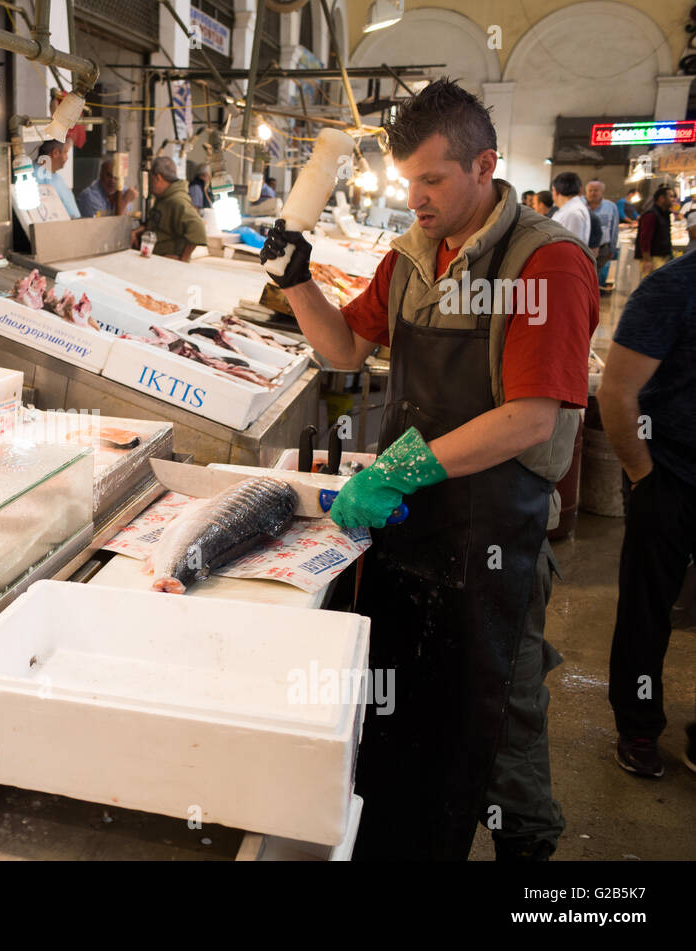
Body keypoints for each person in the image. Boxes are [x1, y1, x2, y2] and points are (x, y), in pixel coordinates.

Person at [261, 78, 597, 861]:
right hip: (415, 529)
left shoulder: (545, 263)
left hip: (496, 535)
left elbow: (530, 418)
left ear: (485, 166)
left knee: (500, 721)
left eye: (433, 180)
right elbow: (344, 349)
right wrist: (297, 281)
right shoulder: (413, 256)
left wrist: (403, 466)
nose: (416, 198)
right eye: (408, 180)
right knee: (417, 713)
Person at [597, 251, 696, 779]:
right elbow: (616, 391)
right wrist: (642, 473)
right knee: (647, 607)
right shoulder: (671, 289)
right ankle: (637, 726)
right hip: (670, 473)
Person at [131, 156, 207, 261]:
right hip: (156, 260)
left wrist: (182, 259)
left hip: (169, 266)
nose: (150, 185)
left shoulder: (177, 200)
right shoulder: (163, 199)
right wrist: (136, 231)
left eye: (151, 180)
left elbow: (198, 228)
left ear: (158, 178)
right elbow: (156, 223)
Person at [586, 180, 620, 291]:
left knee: (595, 275)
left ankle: (591, 298)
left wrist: (612, 248)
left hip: (602, 248)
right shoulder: (581, 205)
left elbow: (614, 228)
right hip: (584, 248)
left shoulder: (611, 206)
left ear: (602, 191)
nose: (593, 193)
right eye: (590, 190)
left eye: (596, 190)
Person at [35, 140, 81, 219]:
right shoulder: (36, 176)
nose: (67, 158)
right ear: (55, 153)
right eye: (65, 153)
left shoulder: (57, 178)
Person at [636, 186, 675, 276]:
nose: (673, 199)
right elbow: (644, 239)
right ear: (661, 198)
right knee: (653, 286)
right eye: (671, 196)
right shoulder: (651, 215)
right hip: (653, 258)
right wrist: (647, 260)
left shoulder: (665, 214)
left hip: (663, 256)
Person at [550, 171, 592, 245]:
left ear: (556, 191)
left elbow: (571, 245)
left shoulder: (573, 213)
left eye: (552, 190)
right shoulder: (570, 209)